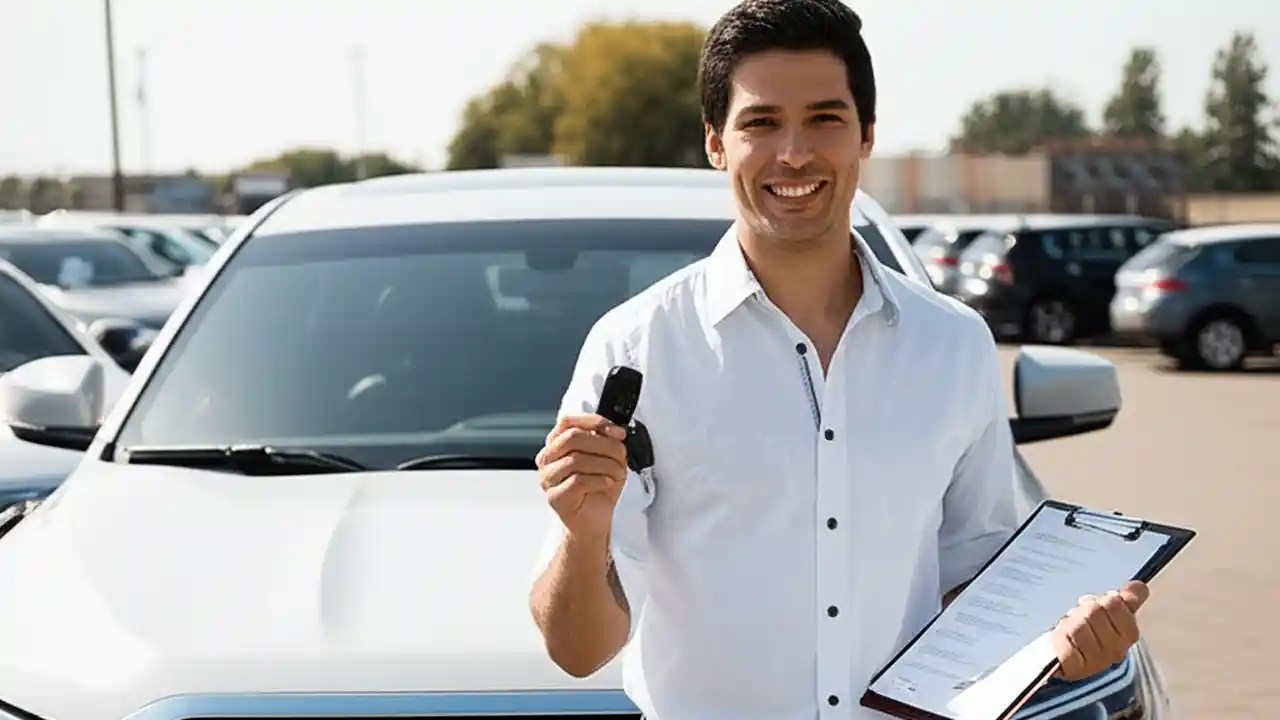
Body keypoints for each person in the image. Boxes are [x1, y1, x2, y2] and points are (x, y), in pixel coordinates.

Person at [528, 1, 1149, 718]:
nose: (794, 152)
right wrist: (583, 531)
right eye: (761, 123)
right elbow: (578, 653)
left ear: (866, 138)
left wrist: (1060, 641)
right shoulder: (635, 349)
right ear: (715, 143)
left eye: (825, 118)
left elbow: (975, 586)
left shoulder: (954, 344)